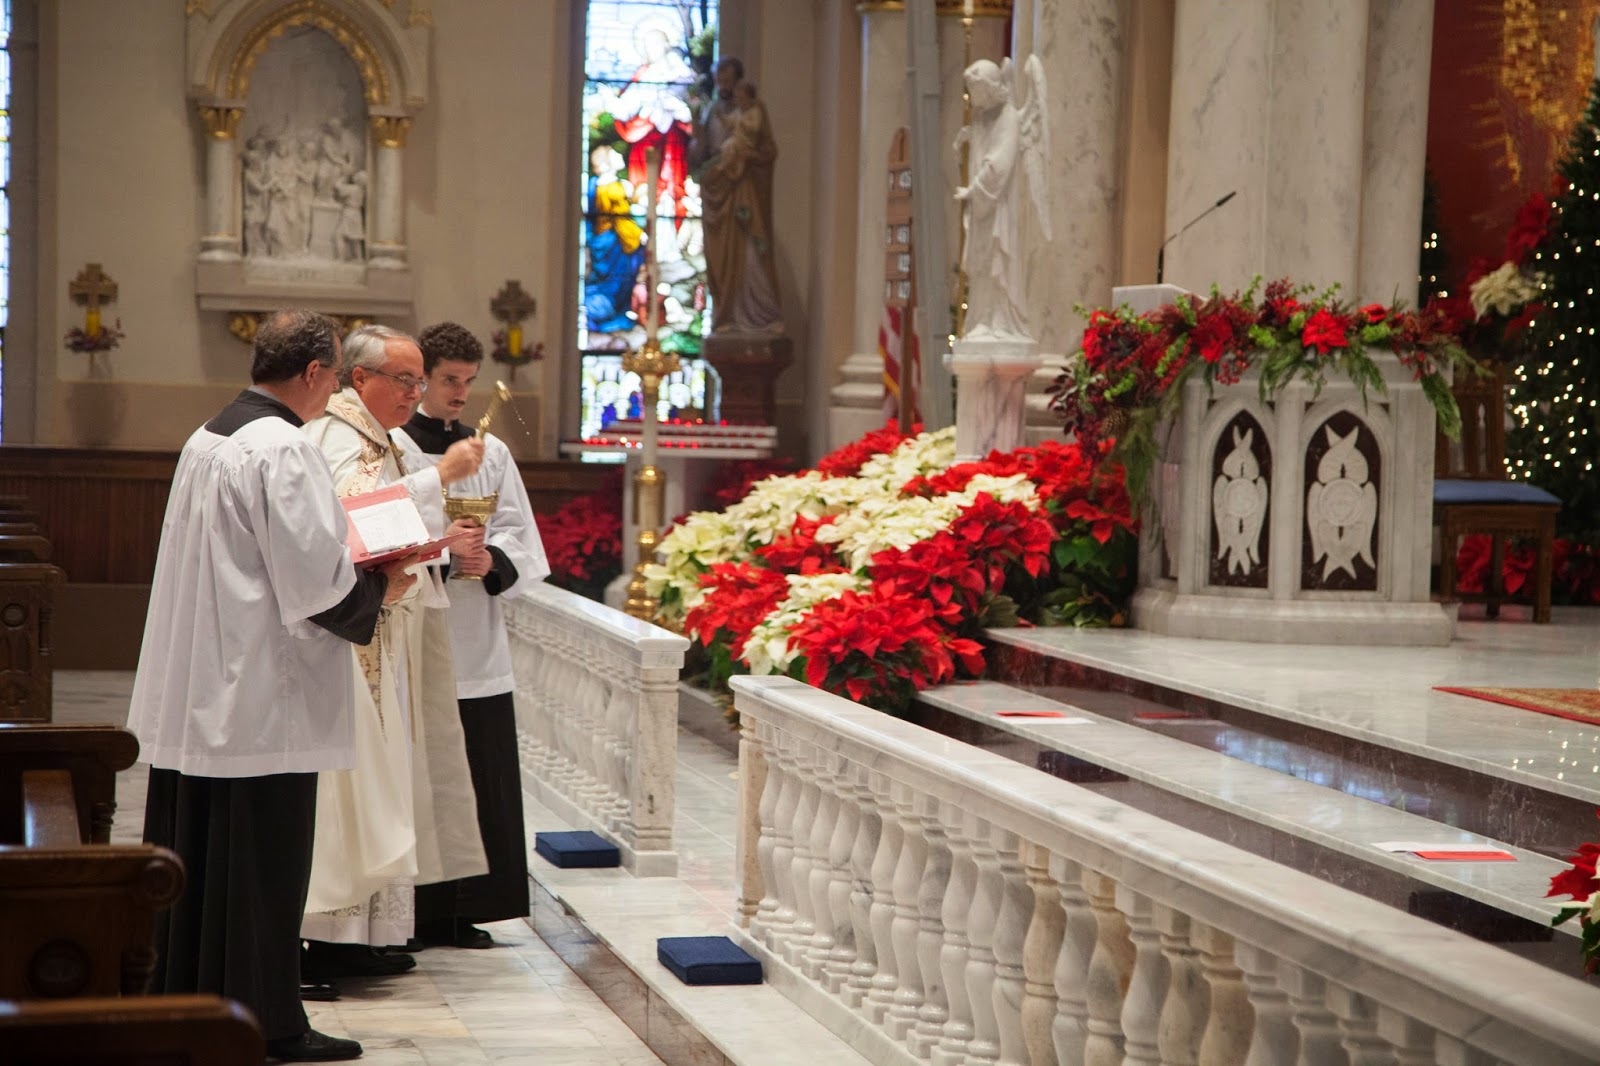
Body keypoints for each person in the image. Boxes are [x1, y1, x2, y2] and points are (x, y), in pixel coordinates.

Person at [131, 309, 419, 1063]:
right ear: (318, 373)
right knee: (261, 867)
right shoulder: (281, 447)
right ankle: (267, 1024)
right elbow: (314, 584)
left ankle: (189, 1001)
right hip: (261, 697)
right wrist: (379, 589)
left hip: (206, 687)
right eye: (329, 381)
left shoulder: (210, 437)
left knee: (200, 851)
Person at [300, 325, 490, 978]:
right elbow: (353, 518)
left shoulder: (376, 437)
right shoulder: (333, 436)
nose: (415, 393)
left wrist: (440, 543)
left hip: (387, 628)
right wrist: (441, 475)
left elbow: (393, 522)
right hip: (348, 637)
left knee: (385, 784)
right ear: (359, 380)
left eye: (418, 381)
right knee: (349, 792)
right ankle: (324, 935)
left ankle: (371, 932)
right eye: (404, 381)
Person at [393, 322, 550, 949]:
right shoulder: (397, 450)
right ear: (422, 379)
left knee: (478, 772)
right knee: (418, 775)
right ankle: (413, 910)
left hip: (476, 638)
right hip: (412, 630)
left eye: (468, 382)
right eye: (449, 381)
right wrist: (445, 555)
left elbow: (522, 536)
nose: (460, 394)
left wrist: (493, 561)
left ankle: (466, 909)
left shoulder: (493, 455)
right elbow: (380, 535)